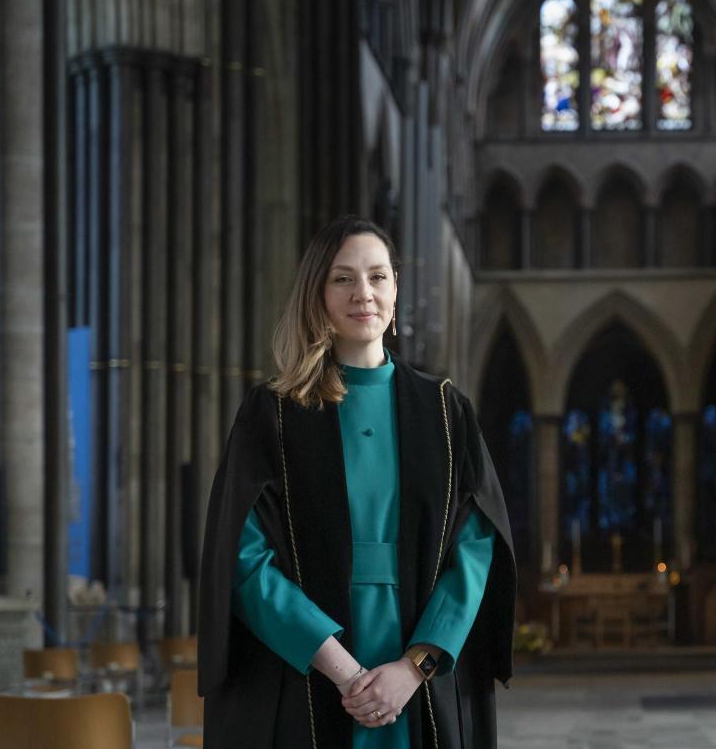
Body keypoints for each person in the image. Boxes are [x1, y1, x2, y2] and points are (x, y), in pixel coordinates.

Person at [198, 217, 516, 748]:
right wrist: (346, 673)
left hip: (420, 668)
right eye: (343, 278)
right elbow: (243, 557)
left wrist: (414, 667)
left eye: (378, 276)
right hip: (306, 667)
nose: (363, 293)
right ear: (317, 293)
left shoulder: (443, 408)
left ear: (395, 290)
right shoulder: (272, 413)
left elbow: (476, 546)